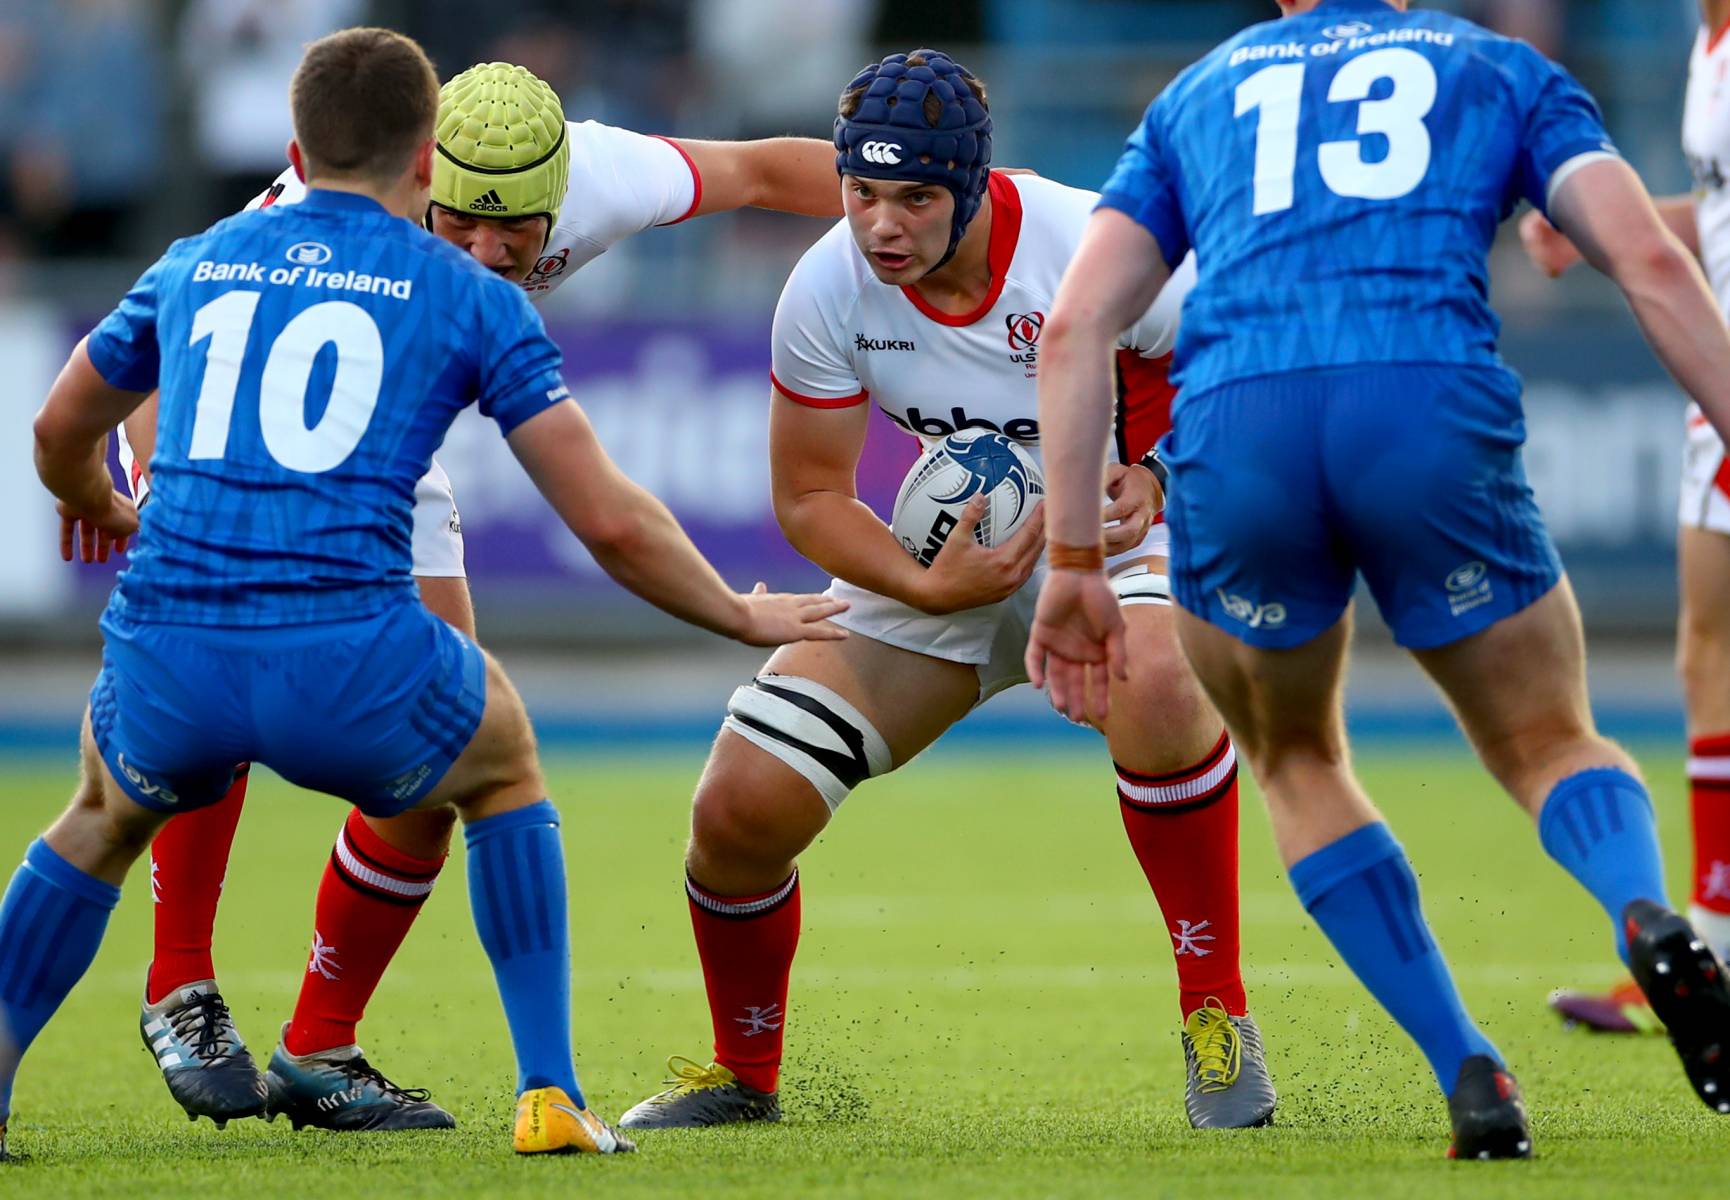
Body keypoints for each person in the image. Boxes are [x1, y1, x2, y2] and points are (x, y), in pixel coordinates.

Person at [5, 26, 847, 1162]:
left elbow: (758, 169)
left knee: (133, 800)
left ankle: (316, 1044)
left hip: (341, 492)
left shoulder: (210, 252)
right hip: (282, 509)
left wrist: (939, 191)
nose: (492, 253)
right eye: (462, 221)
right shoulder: (416, 283)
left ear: (564, 191)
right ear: (419, 168)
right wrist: (153, 495)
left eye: (519, 231)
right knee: (490, 748)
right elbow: (603, 513)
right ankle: (203, 986)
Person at [1026, 0, 1730, 1161]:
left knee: (1294, 757)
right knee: (1547, 740)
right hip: (1421, 406)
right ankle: (1642, 913)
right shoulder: (1496, 68)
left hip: (1240, 423)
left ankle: (1469, 1069)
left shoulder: (1195, 95)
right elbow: (1650, 260)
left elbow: (1074, 330)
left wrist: (1068, 559)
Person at [615, 49, 1277, 1135]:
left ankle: (1215, 1018)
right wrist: (924, 585)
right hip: (946, 563)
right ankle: (744, 1073)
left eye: (913, 197)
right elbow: (813, 496)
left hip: (1107, 537)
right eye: (860, 192)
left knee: (1156, 682)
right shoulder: (827, 285)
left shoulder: (1086, 241)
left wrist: (1155, 476)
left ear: (971, 185)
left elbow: (1234, 366)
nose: (881, 225)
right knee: (735, 811)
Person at [1518, 0, 1730, 1036]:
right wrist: (1602, 220)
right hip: (1715, 379)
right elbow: (1720, 209)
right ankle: (1713, 937)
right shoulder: (1706, 41)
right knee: (1707, 651)